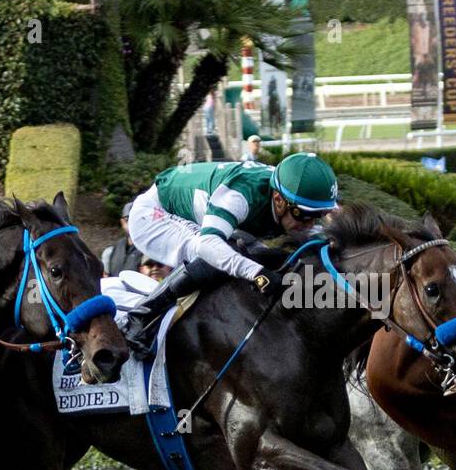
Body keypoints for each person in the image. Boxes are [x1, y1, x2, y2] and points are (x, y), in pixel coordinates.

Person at [120, 152, 339, 358]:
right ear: (279, 200)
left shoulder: (293, 194)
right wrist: (257, 274)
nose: (310, 224)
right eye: (303, 215)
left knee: (258, 253)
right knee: (219, 255)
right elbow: (209, 245)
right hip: (154, 216)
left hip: (194, 215)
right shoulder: (239, 196)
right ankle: (140, 318)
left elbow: (336, 223)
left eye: (318, 216)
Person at [101, 201, 143, 275]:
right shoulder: (115, 248)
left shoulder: (149, 248)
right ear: (122, 222)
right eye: (128, 220)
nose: (132, 224)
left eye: (136, 220)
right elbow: (106, 275)